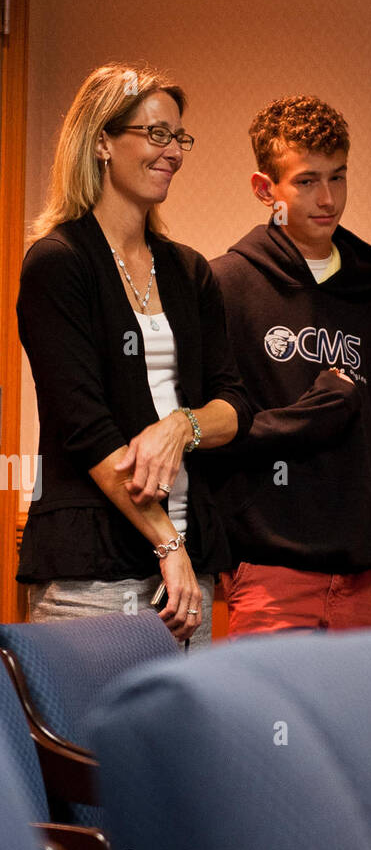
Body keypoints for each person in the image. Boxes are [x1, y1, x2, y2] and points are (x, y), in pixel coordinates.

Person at [17, 62, 251, 647]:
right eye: (155, 134)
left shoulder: (189, 270)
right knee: (92, 744)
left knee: (181, 743)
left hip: (184, 578)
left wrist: (182, 426)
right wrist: (165, 542)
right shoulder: (59, 262)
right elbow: (85, 428)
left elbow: (234, 404)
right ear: (101, 141)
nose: (171, 151)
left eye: (178, 137)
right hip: (91, 575)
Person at [207, 94, 371, 634]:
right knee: (265, 722)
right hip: (268, 571)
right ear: (267, 190)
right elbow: (208, 429)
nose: (327, 198)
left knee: (358, 722)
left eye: (339, 177)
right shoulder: (224, 286)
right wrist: (219, 544)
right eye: (306, 181)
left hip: (368, 573)